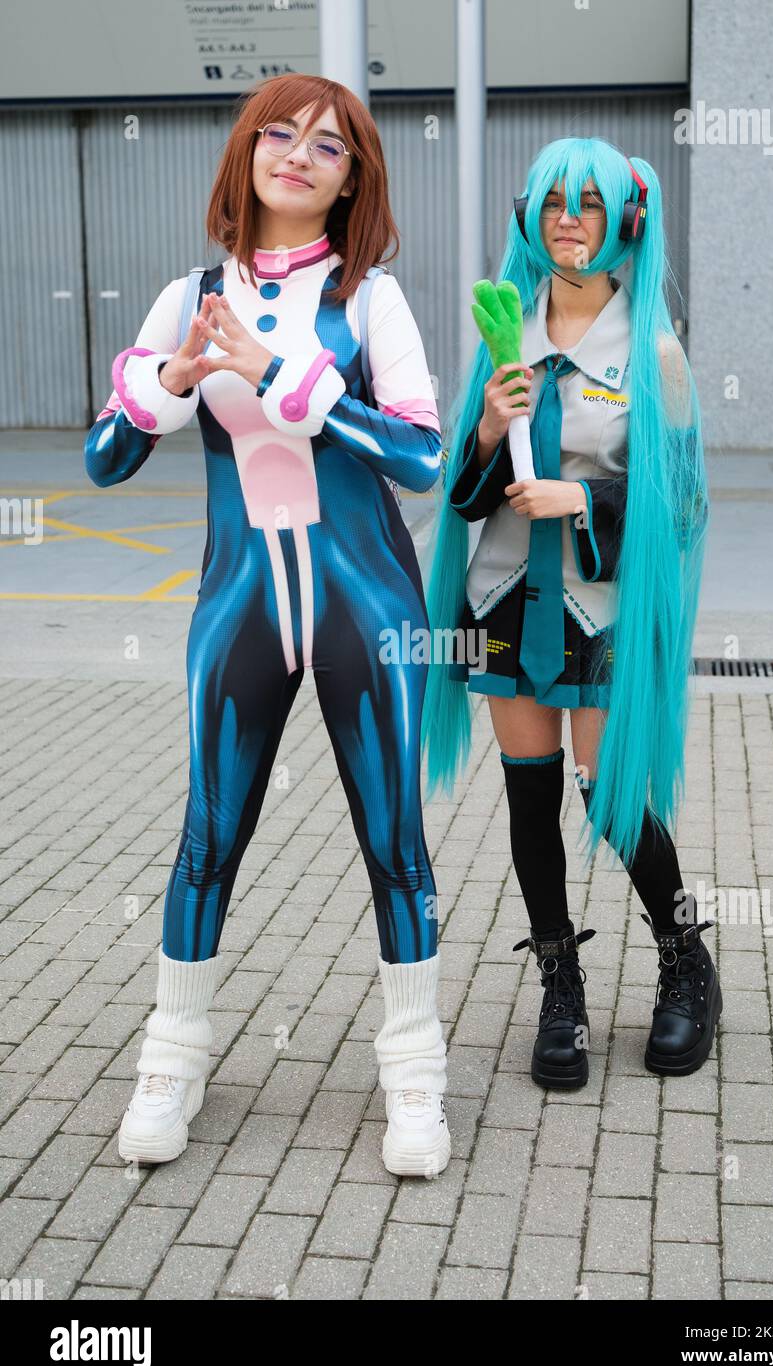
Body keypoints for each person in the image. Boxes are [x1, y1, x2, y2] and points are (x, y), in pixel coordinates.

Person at [84, 73, 450, 1177]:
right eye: (277, 133)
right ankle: (171, 1056)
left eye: (327, 147)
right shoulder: (185, 293)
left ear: (352, 183)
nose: (296, 154)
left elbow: (423, 457)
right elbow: (104, 461)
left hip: (369, 604)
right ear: (245, 151)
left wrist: (289, 378)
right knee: (208, 834)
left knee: (392, 842)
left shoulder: (370, 300)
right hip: (238, 605)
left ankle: (413, 1068)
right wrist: (174, 378)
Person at [422, 136, 719, 1090]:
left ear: (625, 222)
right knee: (530, 793)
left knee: (614, 792)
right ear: (530, 217)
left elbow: (685, 505)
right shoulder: (505, 339)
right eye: (553, 203)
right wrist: (485, 431)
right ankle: (561, 985)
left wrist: (582, 503)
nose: (568, 221)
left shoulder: (655, 353)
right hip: (507, 598)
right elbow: (464, 496)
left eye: (589, 205)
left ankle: (685, 963)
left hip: (600, 603)